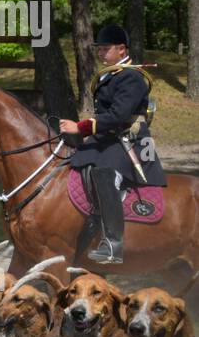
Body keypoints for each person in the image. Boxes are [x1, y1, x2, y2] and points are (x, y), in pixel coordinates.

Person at [58, 23, 165, 265]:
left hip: (130, 138)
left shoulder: (133, 77)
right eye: (100, 48)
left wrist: (82, 126)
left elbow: (118, 116)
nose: (101, 52)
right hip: (108, 136)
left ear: (121, 49)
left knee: (104, 173)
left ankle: (113, 244)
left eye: (106, 48)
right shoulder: (112, 73)